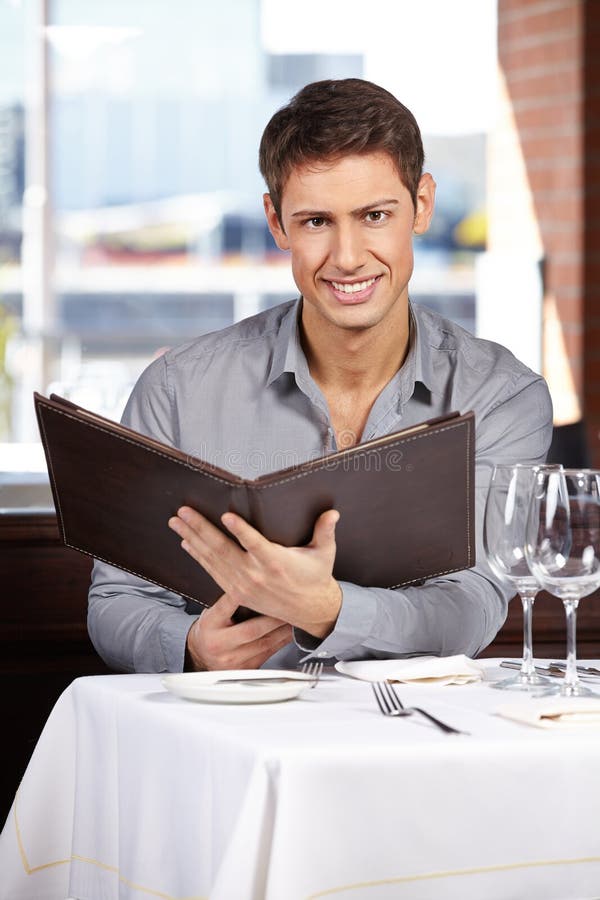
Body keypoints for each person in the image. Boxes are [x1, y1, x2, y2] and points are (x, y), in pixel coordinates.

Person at [88, 78, 553, 674]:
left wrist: (329, 609)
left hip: (417, 738)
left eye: (375, 215)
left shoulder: (500, 396)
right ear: (276, 223)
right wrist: (189, 647)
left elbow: (473, 604)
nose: (348, 256)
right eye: (315, 222)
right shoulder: (178, 390)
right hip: (233, 732)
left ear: (423, 204)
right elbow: (118, 602)